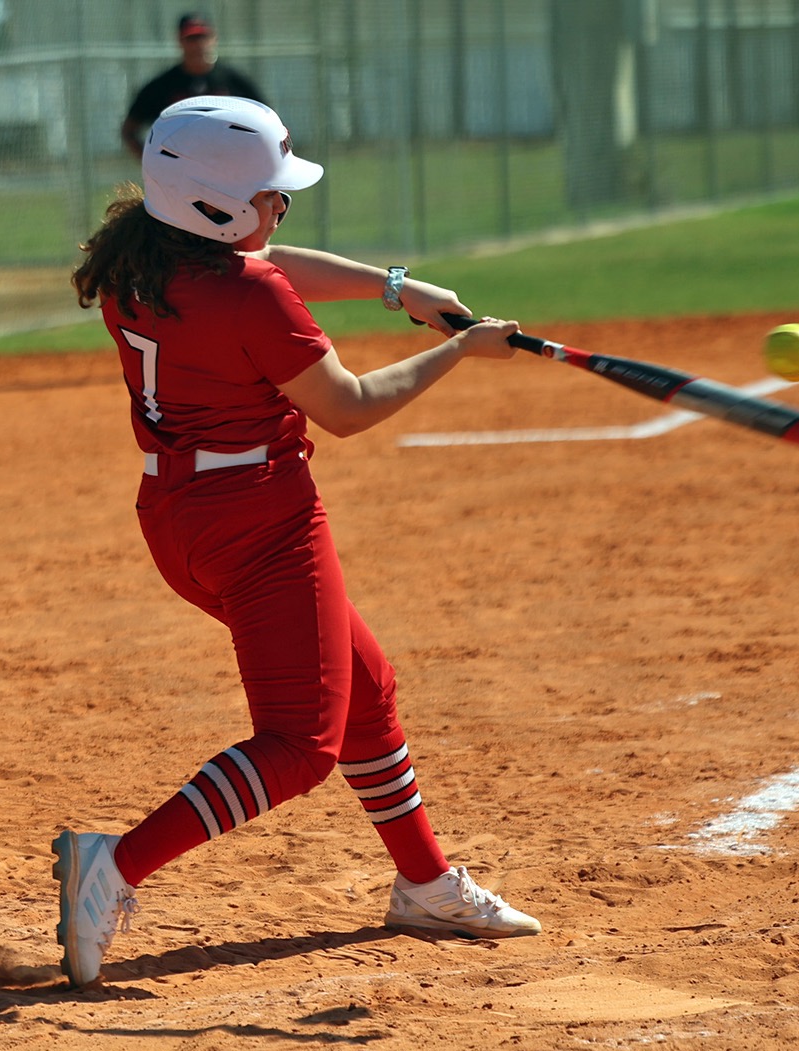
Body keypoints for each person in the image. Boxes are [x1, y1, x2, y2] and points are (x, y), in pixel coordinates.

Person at [56, 96, 539, 988]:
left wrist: (397, 288)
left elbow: (267, 270)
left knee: (367, 685)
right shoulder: (246, 291)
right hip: (263, 519)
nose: (281, 208)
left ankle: (425, 882)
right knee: (301, 742)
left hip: (180, 517)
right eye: (271, 195)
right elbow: (348, 408)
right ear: (213, 205)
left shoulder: (142, 259)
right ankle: (115, 863)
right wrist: (461, 348)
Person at [119, 12, 266, 159]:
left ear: (214, 38)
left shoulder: (232, 80)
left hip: (228, 166)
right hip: (181, 171)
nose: (198, 45)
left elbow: (266, 121)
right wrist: (153, 160)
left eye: (203, 37)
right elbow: (129, 130)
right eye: (191, 38)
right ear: (180, 41)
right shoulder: (162, 86)